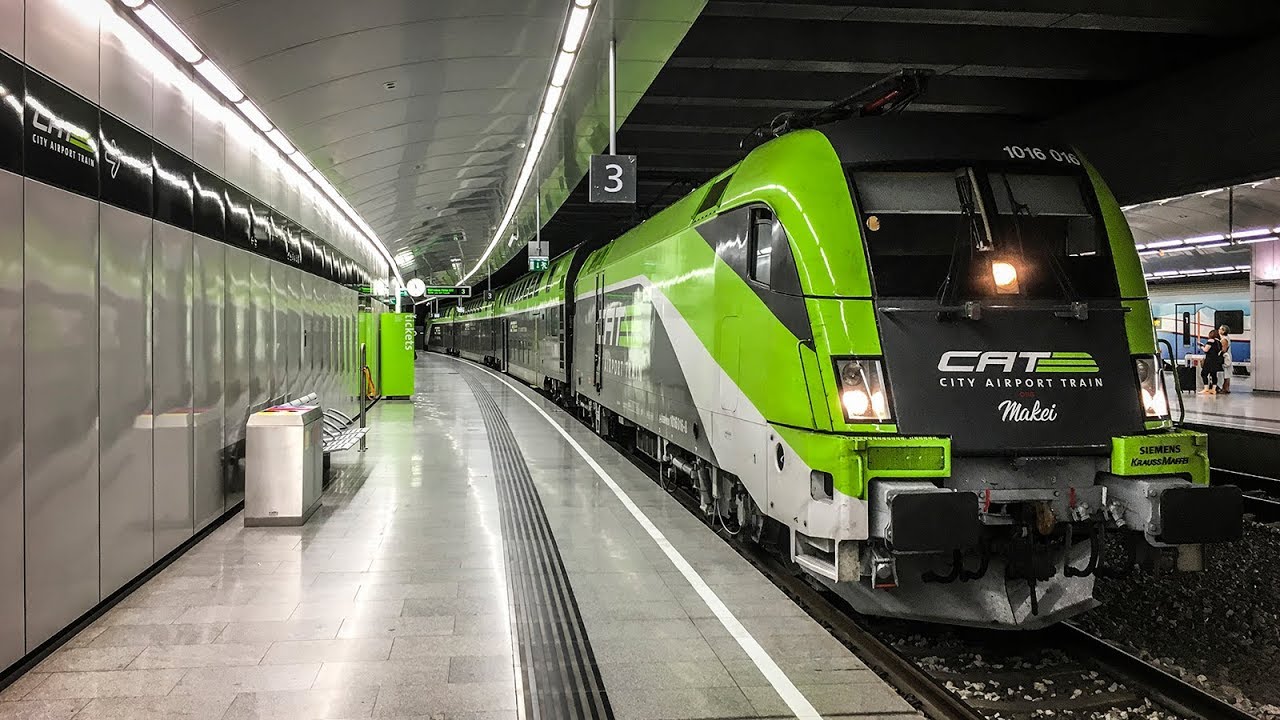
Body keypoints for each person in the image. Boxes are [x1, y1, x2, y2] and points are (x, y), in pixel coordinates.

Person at [1200, 328, 1224, 394]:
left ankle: (1206, 388)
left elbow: (1206, 350)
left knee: (1204, 373)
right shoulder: (1219, 342)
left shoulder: (1210, 341)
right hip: (1216, 360)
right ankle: (1214, 389)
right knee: (1213, 374)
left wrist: (1201, 346)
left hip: (1209, 360)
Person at [1218, 325, 1232, 394]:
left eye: (1220, 329)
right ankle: (1226, 388)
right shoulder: (1227, 338)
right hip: (1228, 357)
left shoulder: (1224, 339)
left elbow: (1224, 349)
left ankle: (1225, 388)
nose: (1219, 330)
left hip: (1225, 358)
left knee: (1226, 374)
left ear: (1224, 331)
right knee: (1227, 373)